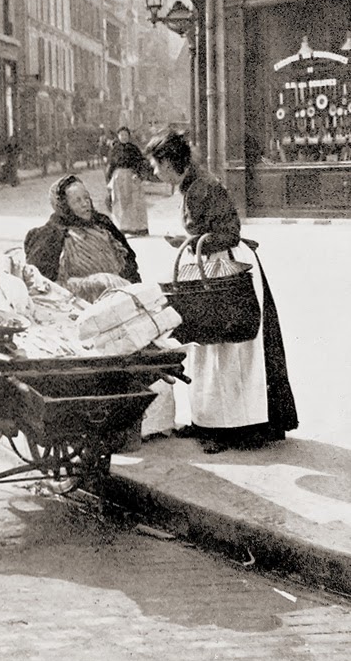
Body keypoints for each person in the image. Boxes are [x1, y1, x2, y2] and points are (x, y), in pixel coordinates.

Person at [145, 130, 298, 453]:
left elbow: (229, 232)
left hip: (227, 273)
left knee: (231, 354)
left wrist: (189, 242)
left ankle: (237, 429)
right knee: (211, 349)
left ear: (171, 162)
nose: (155, 172)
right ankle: (210, 422)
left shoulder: (204, 186)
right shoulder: (193, 184)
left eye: (157, 165)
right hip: (212, 268)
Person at [24, 173, 141, 297]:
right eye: (77, 201)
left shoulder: (102, 224)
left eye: (86, 198)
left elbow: (129, 265)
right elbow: (43, 284)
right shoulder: (51, 235)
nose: (85, 204)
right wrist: (96, 282)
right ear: (64, 206)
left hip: (120, 295)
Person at [106, 126, 150, 236]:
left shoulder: (134, 149)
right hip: (118, 177)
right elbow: (111, 165)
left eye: (125, 135)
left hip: (132, 176)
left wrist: (138, 174)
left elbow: (140, 162)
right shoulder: (114, 150)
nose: (123, 137)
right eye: (121, 135)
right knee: (119, 202)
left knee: (135, 201)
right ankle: (122, 227)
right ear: (118, 136)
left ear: (129, 136)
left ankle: (137, 228)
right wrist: (108, 179)